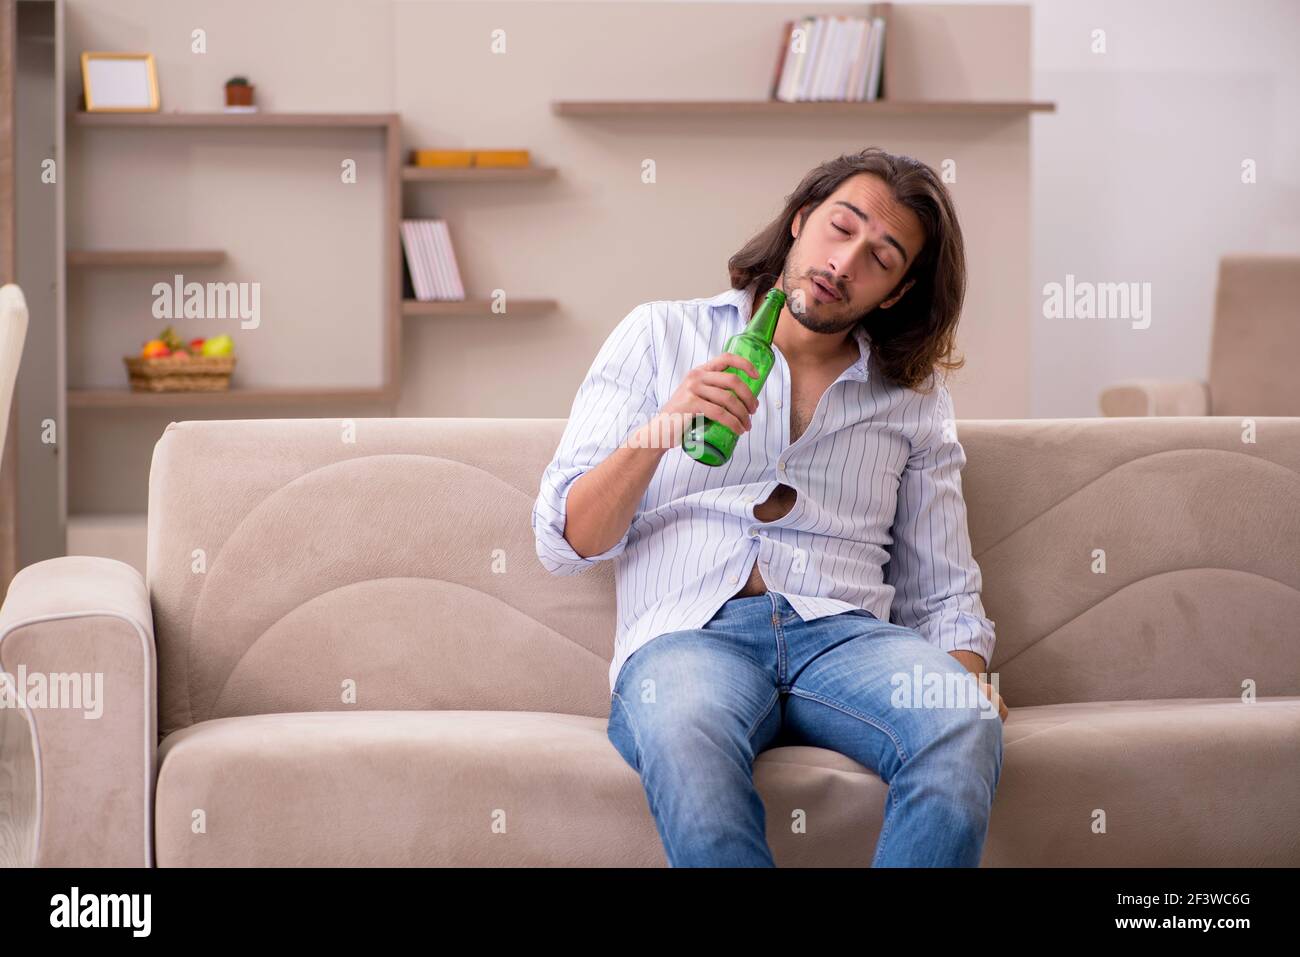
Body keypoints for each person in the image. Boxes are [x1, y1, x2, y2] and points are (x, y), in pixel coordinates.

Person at [532, 147, 1006, 867]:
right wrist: (664, 426)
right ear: (799, 219)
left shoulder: (911, 398)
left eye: (881, 257)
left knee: (963, 718)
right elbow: (568, 539)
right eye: (840, 226)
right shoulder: (661, 334)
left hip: (846, 637)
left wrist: (965, 675)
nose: (845, 262)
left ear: (897, 292)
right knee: (685, 731)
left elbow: (943, 586)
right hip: (691, 633)